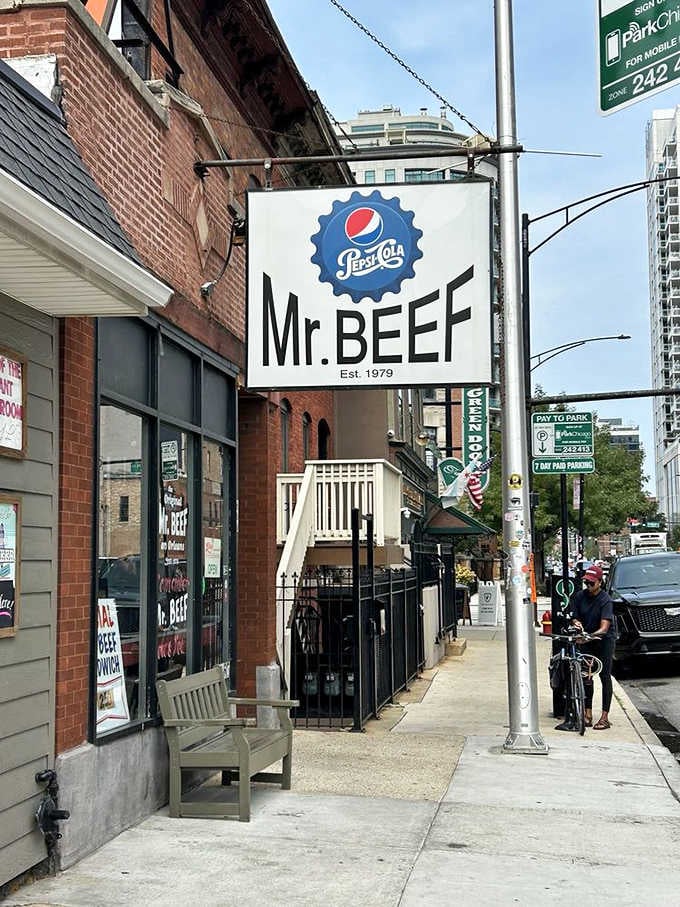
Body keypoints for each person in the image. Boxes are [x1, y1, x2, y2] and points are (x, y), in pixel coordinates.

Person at [561, 563, 616, 731]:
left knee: (604, 675)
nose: (589, 586)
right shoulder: (579, 597)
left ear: (600, 582)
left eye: (592, 583)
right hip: (586, 637)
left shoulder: (605, 600)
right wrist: (576, 623)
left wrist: (590, 637)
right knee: (587, 676)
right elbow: (574, 616)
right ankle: (587, 714)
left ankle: (605, 717)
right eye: (587, 583)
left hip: (603, 639)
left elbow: (604, 627)